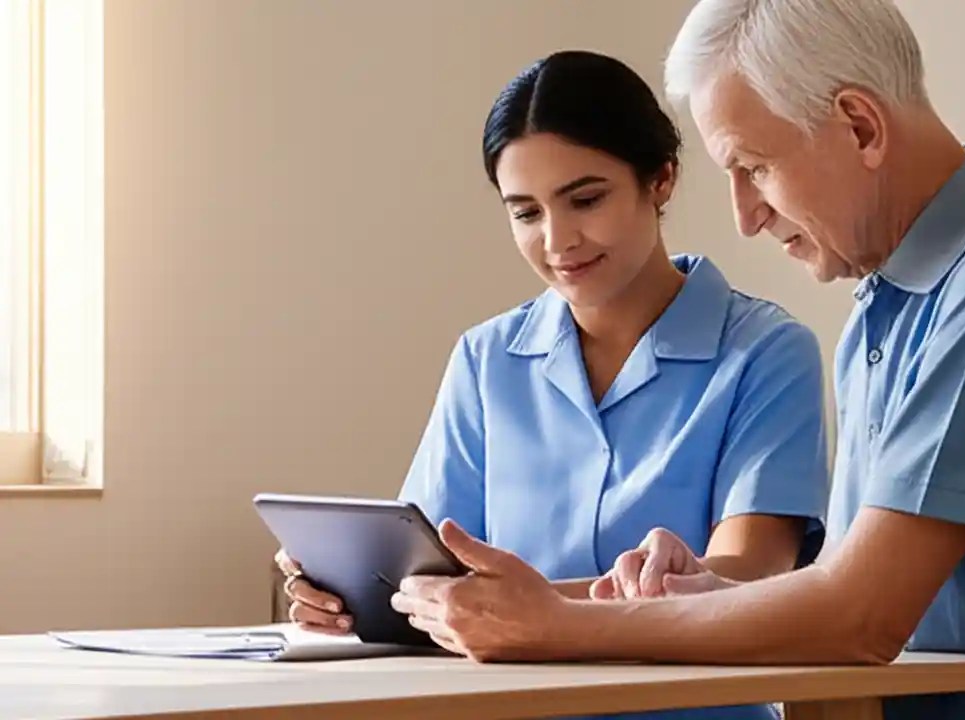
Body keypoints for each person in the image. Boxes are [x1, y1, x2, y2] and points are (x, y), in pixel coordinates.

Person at [387, 3, 965, 719]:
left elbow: (859, 617)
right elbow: (840, 588)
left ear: (861, 126)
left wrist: (559, 628)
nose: (746, 217)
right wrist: (694, 595)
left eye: (753, 168)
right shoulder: (885, 309)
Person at [276, 49, 831, 720]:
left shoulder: (767, 354)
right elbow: (422, 575)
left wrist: (533, 611)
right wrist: (346, 593)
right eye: (525, 213)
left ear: (661, 181)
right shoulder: (486, 361)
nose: (557, 240)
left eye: (585, 199)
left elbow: (752, 577)